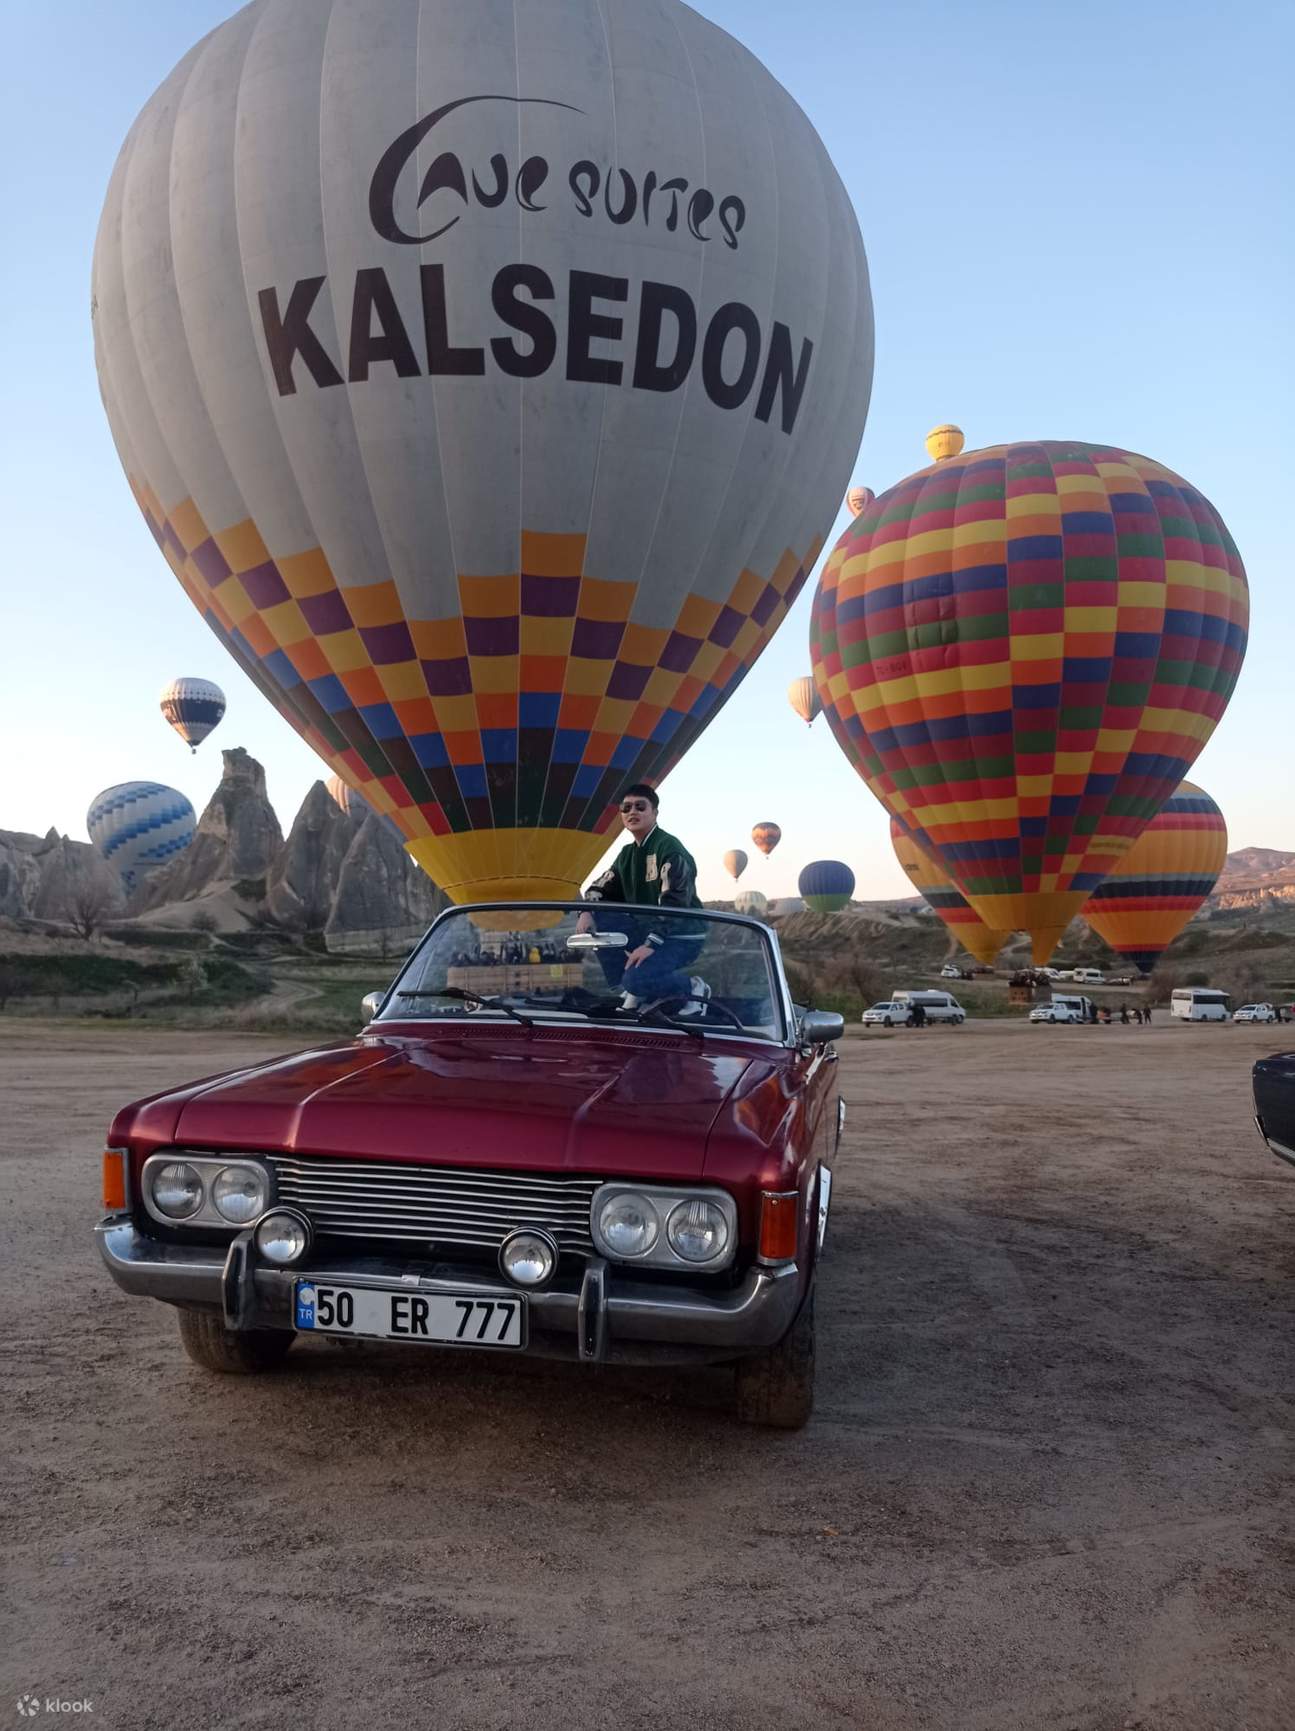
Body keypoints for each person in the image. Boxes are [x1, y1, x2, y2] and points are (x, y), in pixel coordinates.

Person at [577, 783, 708, 1013]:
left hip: (681, 936)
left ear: (655, 812)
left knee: (637, 979)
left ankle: (693, 988)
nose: (632, 812)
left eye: (640, 807)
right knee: (601, 914)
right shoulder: (627, 853)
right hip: (648, 929)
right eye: (626, 808)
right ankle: (632, 988)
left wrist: (649, 945)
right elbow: (600, 887)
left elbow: (674, 904)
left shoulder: (670, 848)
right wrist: (586, 911)